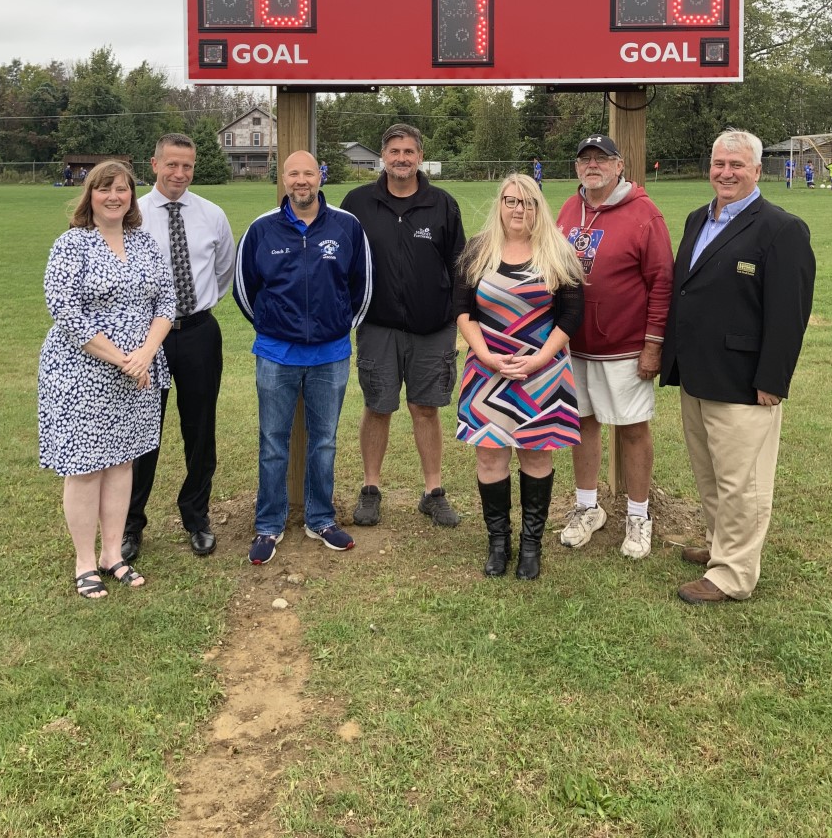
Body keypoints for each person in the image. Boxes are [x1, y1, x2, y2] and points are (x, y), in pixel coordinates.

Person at [660, 129, 816, 604]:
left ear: (756, 169)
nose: (726, 173)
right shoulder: (696, 219)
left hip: (745, 380)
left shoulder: (781, 229)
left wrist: (772, 379)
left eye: (737, 165)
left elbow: (790, 313)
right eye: (719, 164)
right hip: (697, 372)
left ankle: (733, 575)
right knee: (709, 473)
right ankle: (717, 546)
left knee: (742, 483)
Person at [38, 161, 175, 599]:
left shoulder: (144, 243)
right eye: (105, 190)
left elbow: (167, 299)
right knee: (85, 467)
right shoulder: (71, 245)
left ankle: (112, 554)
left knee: (122, 462)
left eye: (122, 189)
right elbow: (64, 310)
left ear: (132, 197)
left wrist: (147, 352)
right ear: (89, 196)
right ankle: (84, 560)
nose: (114, 196)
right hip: (82, 372)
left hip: (139, 373)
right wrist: (122, 359)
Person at [233, 151, 372, 564]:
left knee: (324, 441)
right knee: (273, 441)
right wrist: (273, 327)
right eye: (293, 174)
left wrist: (338, 329)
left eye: (308, 173)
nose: (301, 181)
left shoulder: (347, 227)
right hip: (277, 354)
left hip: (330, 354)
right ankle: (269, 524)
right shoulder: (262, 230)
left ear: (319, 177)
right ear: (284, 179)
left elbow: (363, 286)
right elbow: (244, 289)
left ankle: (321, 518)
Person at [455, 173, 583, 579]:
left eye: (527, 203)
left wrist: (538, 360)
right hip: (487, 372)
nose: (518, 209)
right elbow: (462, 311)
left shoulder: (558, 252)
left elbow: (571, 315)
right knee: (490, 454)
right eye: (511, 201)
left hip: (541, 375)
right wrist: (487, 356)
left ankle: (531, 546)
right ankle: (498, 542)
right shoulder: (478, 250)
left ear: (538, 207)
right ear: (500, 204)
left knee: (535, 453)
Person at [555, 134, 674, 560]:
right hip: (574, 344)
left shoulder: (644, 213)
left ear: (619, 165)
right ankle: (588, 507)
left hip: (624, 346)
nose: (593, 165)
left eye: (601, 159)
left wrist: (653, 344)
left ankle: (639, 515)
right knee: (582, 424)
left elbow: (662, 283)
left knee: (632, 428)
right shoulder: (569, 208)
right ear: (577, 167)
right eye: (585, 158)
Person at [341, 124, 466, 529]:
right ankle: (371, 489)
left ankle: (433, 492)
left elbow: (459, 268)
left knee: (425, 409)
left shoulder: (442, 204)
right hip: (377, 326)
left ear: (419, 156)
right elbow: (342, 264)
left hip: (433, 329)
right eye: (394, 151)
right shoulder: (357, 203)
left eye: (409, 151)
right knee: (377, 407)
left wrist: (460, 321)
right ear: (383, 155)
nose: (401, 158)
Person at [122, 134, 235, 562]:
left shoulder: (212, 214)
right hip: (145, 337)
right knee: (142, 432)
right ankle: (131, 525)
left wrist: (193, 312)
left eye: (187, 166)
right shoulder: (132, 214)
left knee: (200, 430)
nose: (179, 174)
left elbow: (222, 271)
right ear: (154, 164)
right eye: (172, 165)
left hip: (198, 332)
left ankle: (196, 516)